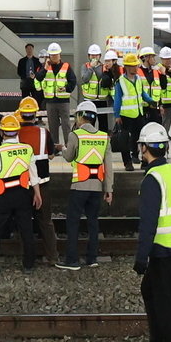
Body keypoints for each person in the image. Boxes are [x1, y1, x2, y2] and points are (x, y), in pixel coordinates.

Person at [133, 121, 171, 342]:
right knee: (150, 290)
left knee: (165, 302)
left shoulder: (152, 180)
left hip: (163, 250)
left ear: (145, 148)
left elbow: (148, 224)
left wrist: (141, 258)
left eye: (141, 146)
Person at [0, 114, 44, 275]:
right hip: (23, 194)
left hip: (2, 196)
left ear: (2, 132)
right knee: (26, 229)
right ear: (17, 132)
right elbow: (33, 175)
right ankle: (29, 264)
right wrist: (37, 194)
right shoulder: (27, 149)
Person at [58, 101, 114, 270]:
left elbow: (68, 157)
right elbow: (109, 167)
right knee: (93, 222)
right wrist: (109, 190)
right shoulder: (104, 137)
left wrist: (62, 148)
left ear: (80, 116)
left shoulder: (75, 135)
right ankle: (92, 258)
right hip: (97, 187)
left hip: (79, 186)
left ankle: (72, 260)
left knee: (73, 222)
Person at [16, 96, 59, 264]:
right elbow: (51, 155)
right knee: (46, 222)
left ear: (21, 113)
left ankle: (27, 258)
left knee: (23, 222)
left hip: (21, 185)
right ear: (35, 114)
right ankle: (53, 257)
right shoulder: (44, 132)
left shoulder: (15, 133)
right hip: (42, 184)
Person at [114, 52, 153, 172]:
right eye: (134, 66)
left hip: (138, 114)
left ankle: (144, 161)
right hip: (125, 116)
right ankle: (128, 163)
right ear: (127, 67)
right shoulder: (120, 82)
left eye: (137, 65)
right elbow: (117, 99)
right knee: (124, 141)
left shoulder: (138, 79)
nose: (136, 68)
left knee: (143, 140)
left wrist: (153, 102)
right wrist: (117, 115)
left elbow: (143, 94)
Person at [36, 42, 77, 147]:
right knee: (53, 125)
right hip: (50, 101)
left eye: (56, 54)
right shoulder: (45, 67)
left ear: (60, 55)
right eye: (52, 55)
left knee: (66, 125)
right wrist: (45, 68)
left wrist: (66, 88)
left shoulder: (66, 66)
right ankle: (55, 147)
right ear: (49, 56)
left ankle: (69, 146)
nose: (54, 57)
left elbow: (73, 81)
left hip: (63, 101)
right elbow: (38, 78)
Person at [139, 47, 164, 126]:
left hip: (155, 109)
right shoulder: (137, 72)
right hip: (142, 108)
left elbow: (162, 88)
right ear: (146, 58)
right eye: (152, 57)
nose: (154, 59)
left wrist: (161, 105)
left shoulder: (157, 71)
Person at [79, 44, 103, 123]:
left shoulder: (103, 67)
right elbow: (85, 79)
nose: (94, 57)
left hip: (102, 99)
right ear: (89, 56)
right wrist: (91, 68)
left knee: (103, 123)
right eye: (92, 56)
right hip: (88, 99)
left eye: (96, 56)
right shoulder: (85, 66)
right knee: (89, 122)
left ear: (100, 56)